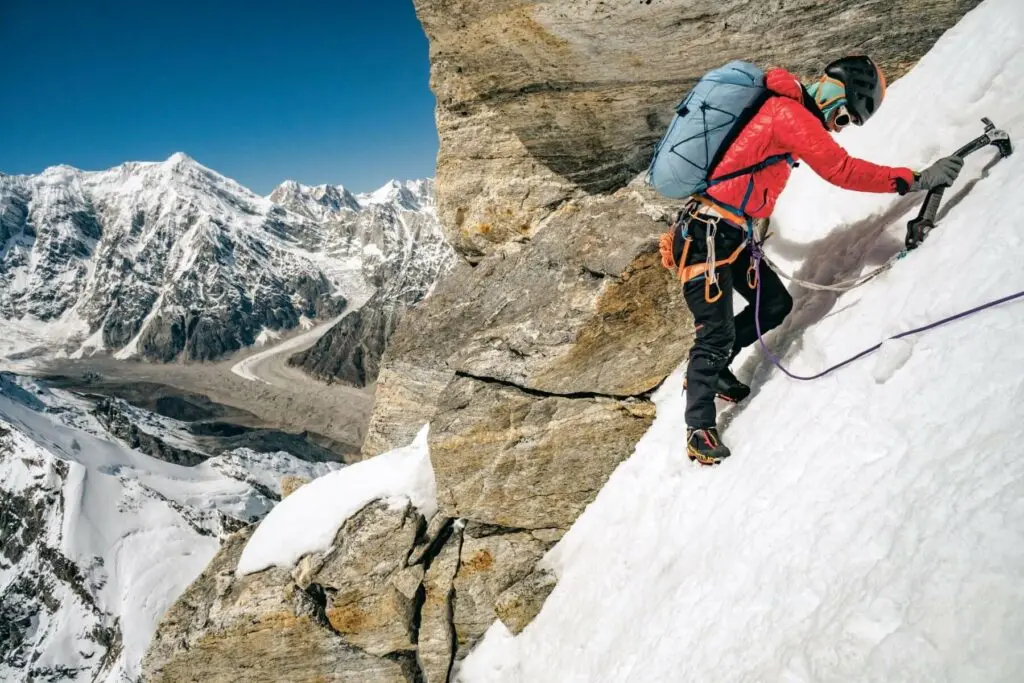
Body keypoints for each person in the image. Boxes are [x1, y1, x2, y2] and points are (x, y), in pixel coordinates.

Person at [681, 56, 964, 465]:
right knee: (715, 333)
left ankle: (716, 371)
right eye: (845, 116)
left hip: (730, 233)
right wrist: (914, 178)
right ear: (835, 92)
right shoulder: (789, 112)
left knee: (775, 305)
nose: (839, 125)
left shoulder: (786, 110)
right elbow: (840, 170)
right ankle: (699, 428)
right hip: (707, 235)